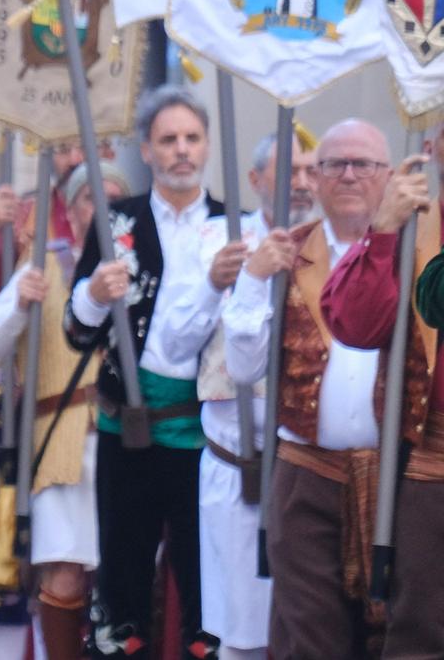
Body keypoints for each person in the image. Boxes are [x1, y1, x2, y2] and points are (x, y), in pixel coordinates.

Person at [236, 121, 418, 659]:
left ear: (389, 175)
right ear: (313, 178)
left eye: (364, 164)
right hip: (308, 474)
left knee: (398, 637)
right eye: (335, 164)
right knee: (311, 637)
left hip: (401, 478)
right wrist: (251, 280)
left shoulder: (421, 249)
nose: (349, 175)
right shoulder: (286, 252)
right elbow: (245, 368)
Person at [64, 86, 230, 658]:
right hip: (127, 429)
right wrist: (92, 294)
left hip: (206, 435)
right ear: (146, 149)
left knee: (206, 588)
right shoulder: (117, 223)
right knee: (121, 589)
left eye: (192, 138)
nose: (181, 150)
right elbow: (75, 332)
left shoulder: (235, 227)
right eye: (168, 139)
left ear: (207, 145)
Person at [323, 122, 443, 659]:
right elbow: (355, 324)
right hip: (431, 461)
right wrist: (386, 228)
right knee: (417, 635)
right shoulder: (415, 226)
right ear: (432, 147)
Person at [191, 130, 310, 660]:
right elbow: (177, 338)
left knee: (307, 626)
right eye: (290, 171)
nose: (301, 183)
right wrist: (218, 283)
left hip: (308, 466)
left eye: (310, 171)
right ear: (255, 178)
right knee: (241, 631)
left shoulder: (331, 242)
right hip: (237, 464)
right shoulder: (218, 239)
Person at [0, 173, 102, 660]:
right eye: (90, 198)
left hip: (127, 442)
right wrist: (19, 304)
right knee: (63, 573)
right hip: (59, 442)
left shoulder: (141, 267)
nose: (102, 208)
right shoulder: (42, 263)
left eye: (114, 199)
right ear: (72, 208)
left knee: (121, 576)